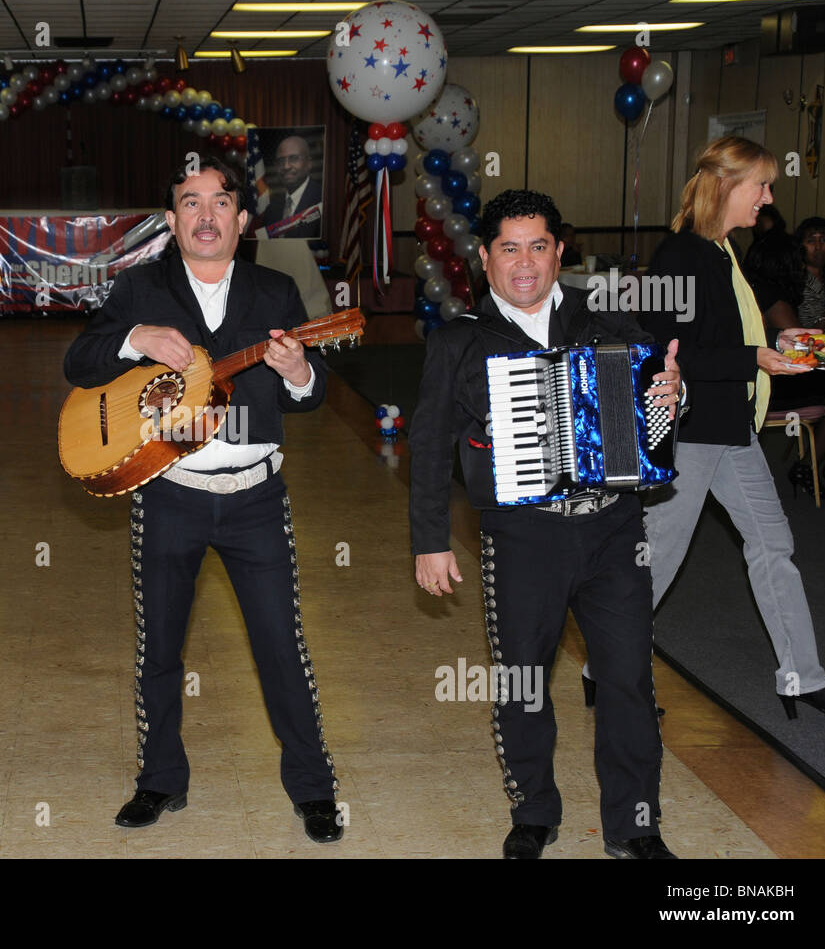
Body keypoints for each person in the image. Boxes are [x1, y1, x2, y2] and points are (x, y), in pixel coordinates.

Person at [63, 156, 341, 843]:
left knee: (281, 644)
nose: (207, 215)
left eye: (221, 203)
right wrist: (134, 338)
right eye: (191, 202)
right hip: (169, 495)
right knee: (158, 648)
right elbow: (79, 360)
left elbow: (310, 395)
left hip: (255, 497)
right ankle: (160, 779)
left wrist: (300, 371)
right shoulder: (140, 287)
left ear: (242, 220)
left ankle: (313, 787)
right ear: (171, 219)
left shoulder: (276, 290)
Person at [410, 188, 682, 860]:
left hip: (613, 528)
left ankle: (635, 823)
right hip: (522, 535)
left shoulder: (607, 319)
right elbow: (429, 444)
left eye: (538, 246)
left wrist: (675, 395)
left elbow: (657, 405)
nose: (525, 262)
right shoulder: (460, 341)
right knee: (522, 679)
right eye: (509, 248)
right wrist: (430, 542)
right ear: (485, 257)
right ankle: (533, 810)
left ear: (560, 251)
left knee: (627, 678)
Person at [637, 136, 825, 721]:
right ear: (727, 185)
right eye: (762, 185)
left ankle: (801, 676)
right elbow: (666, 351)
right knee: (659, 556)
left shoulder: (721, 249)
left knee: (773, 545)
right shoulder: (682, 254)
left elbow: (725, 335)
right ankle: (610, 667)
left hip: (732, 426)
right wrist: (754, 357)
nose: (769, 198)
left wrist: (776, 343)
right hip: (693, 429)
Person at [743, 230, 825, 495]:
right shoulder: (774, 299)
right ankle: (807, 466)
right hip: (774, 383)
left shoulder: (749, 288)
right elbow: (803, 351)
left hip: (757, 375)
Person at [258, 135, 322, 239]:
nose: (286, 166)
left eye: (294, 159)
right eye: (281, 161)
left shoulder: (323, 200)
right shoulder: (271, 210)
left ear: (309, 163)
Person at [795, 217, 825, 329]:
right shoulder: (798, 282)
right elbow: (807, 332)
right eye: (811, 241)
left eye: (824, 240)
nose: (818, 247)